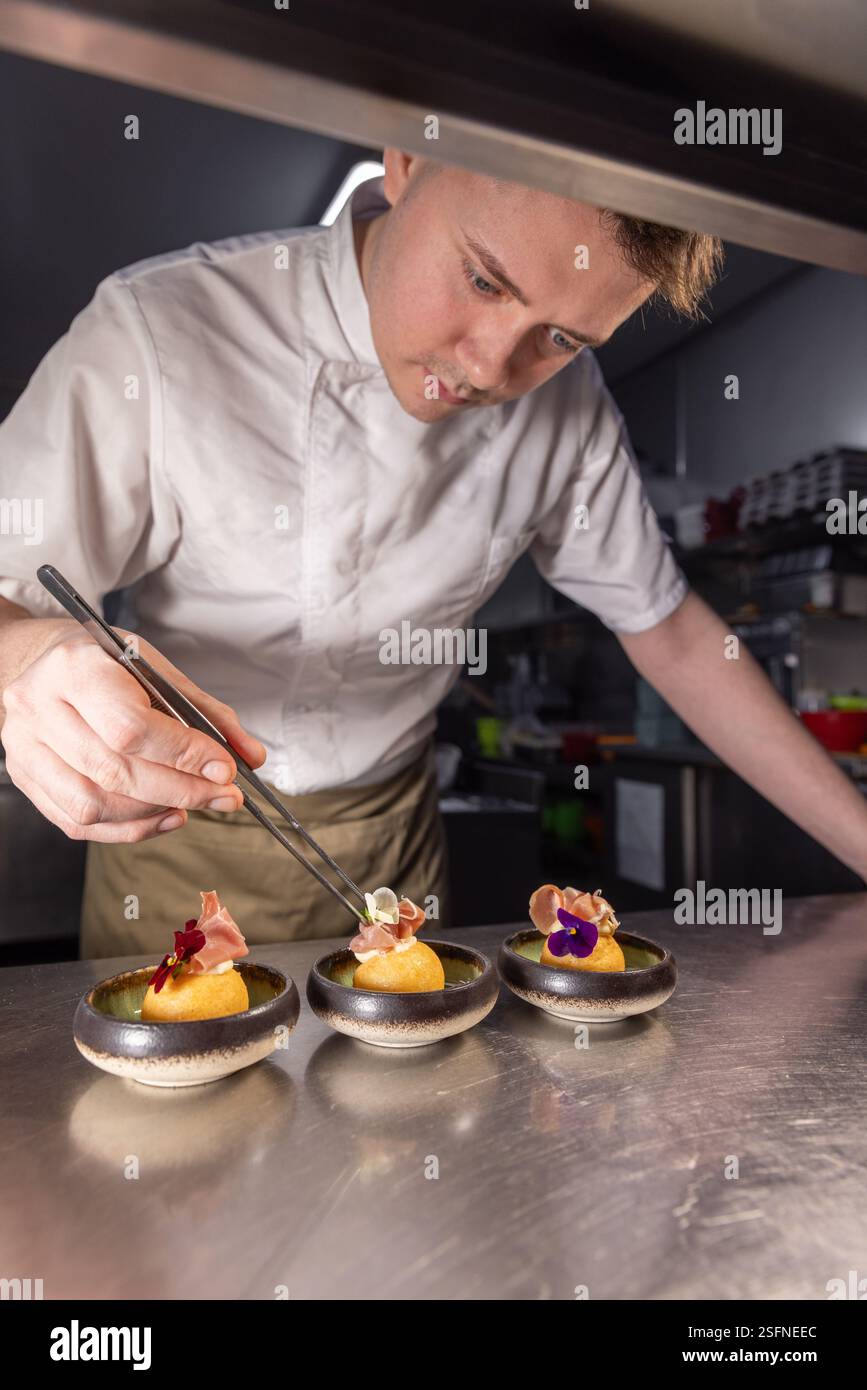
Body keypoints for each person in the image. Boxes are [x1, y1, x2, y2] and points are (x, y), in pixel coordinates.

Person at [2, 153, 864, 957]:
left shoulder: (569, 408)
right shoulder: (161, 330)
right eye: (483, 278)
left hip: (395, 849)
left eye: (562, 338)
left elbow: (669, 631)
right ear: (406, 159)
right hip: (178, 850)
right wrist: (25, 657)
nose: (491, 366)